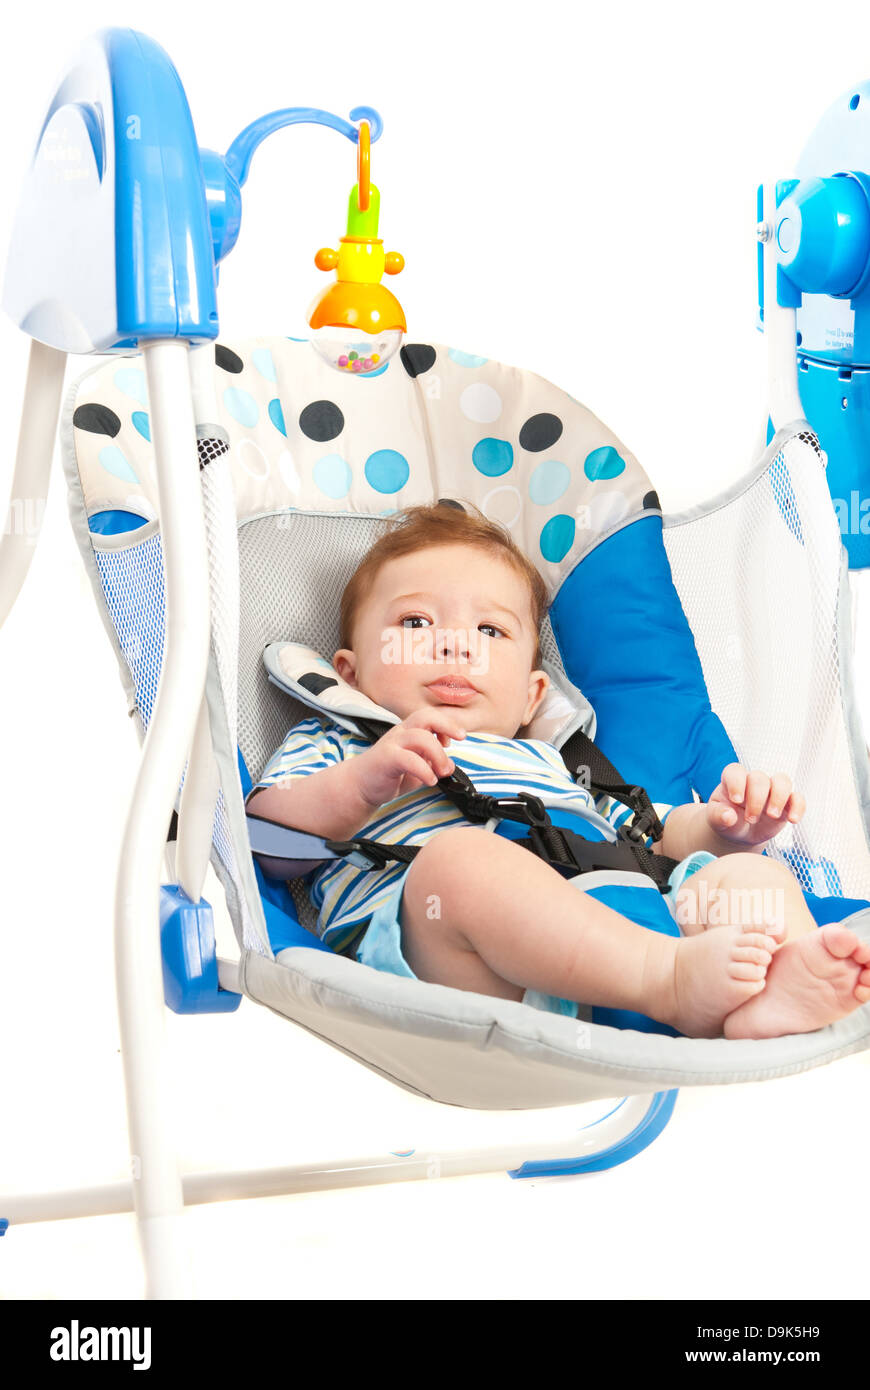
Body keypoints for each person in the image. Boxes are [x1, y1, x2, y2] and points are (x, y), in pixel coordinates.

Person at [245, 504, 870, 1039]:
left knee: (748, 878)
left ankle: (773, 993)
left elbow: (659, 841)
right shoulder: (343, 741)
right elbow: (266, 844)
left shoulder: (557, 761)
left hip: (632, 928)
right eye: (416, 623)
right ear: (349, 674)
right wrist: (360, 786)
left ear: (530, 696)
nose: (457, 645)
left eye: (490, 630)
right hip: (469, 965)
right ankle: (669, 982)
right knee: (459, 865)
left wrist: (729, 827)